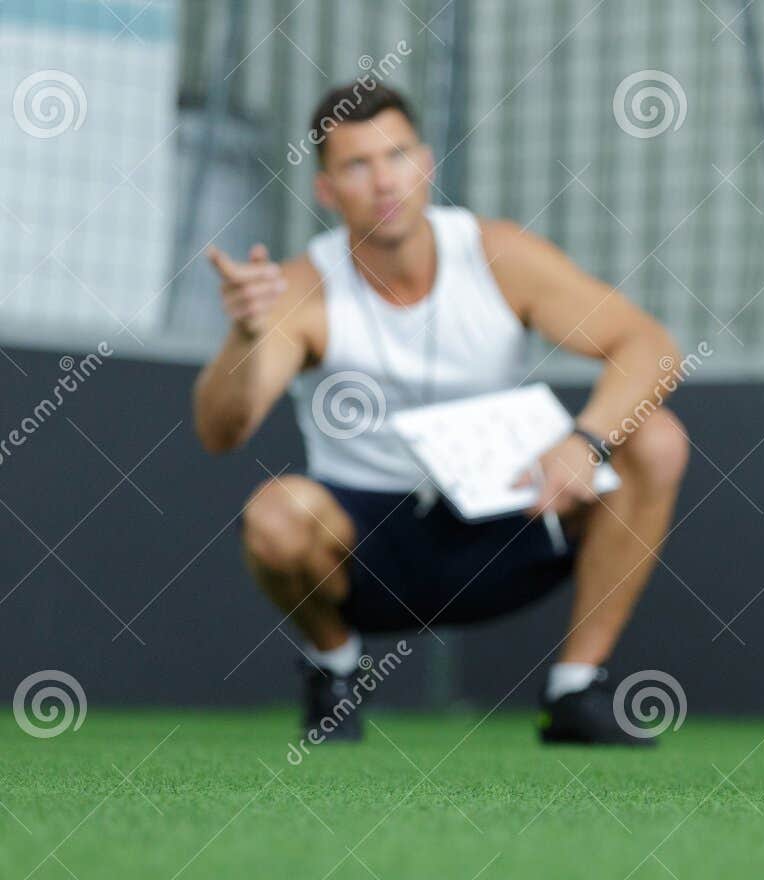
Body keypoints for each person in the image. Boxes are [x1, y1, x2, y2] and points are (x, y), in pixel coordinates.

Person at [193, 82, 688, 745]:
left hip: (507, 522)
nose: (383, 180)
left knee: (655, 440)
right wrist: (244, 337)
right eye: (357, 165)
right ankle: (335, 667)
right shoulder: (302, 288)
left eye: (396, 156)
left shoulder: (498, 254)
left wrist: (584, 443)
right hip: (369, 552)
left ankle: (575, 689)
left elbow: (651, 346)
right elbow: (222, 431)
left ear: (426, 165)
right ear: (327, 189)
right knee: (274, 514)